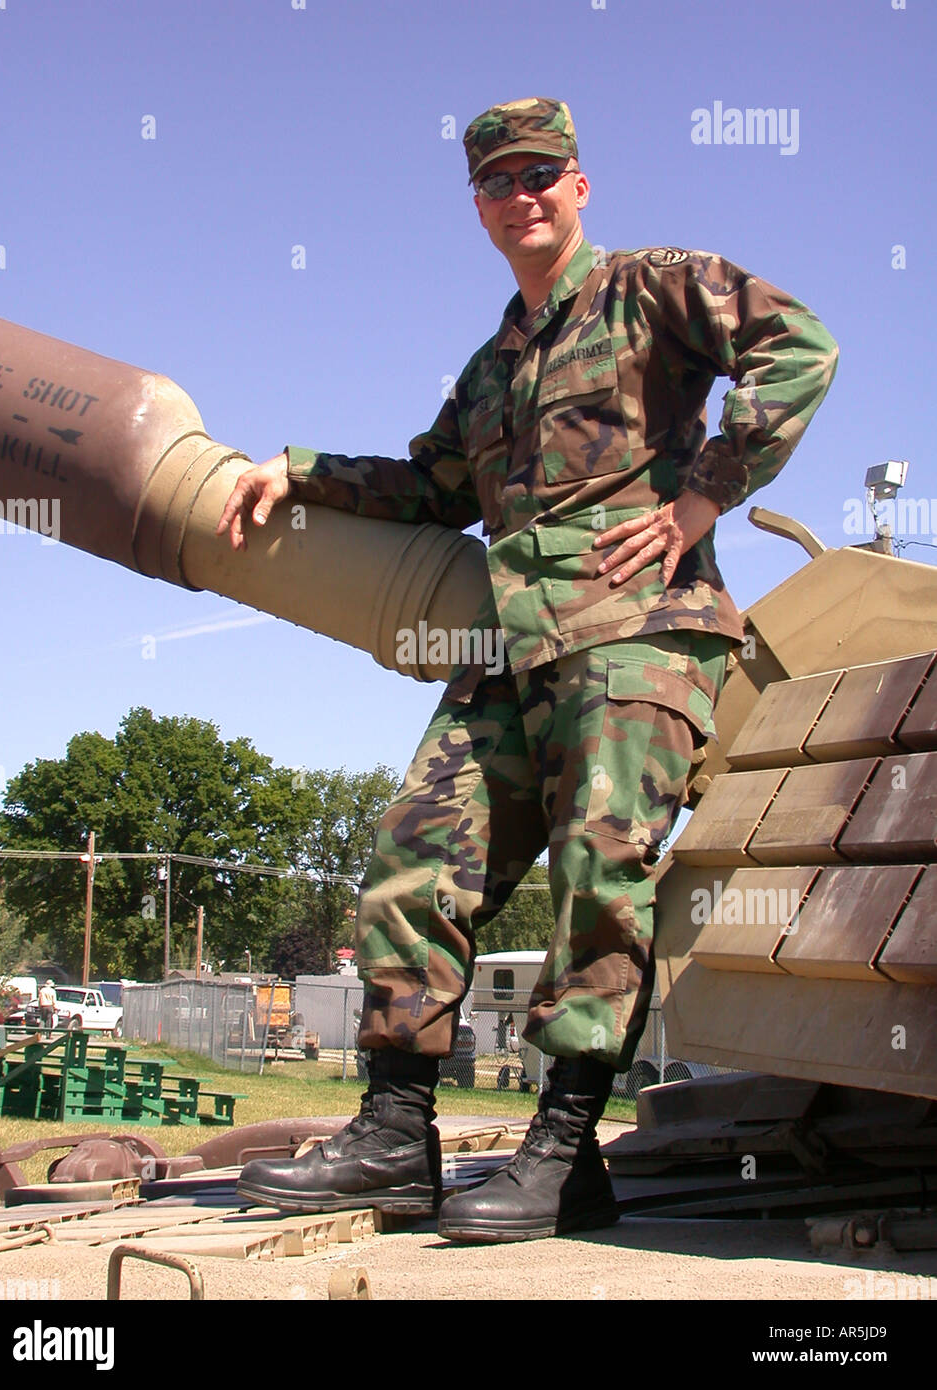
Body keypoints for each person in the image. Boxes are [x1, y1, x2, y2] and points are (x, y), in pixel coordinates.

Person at [218, 98, 838, 1243]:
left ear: (579, 183)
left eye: (542, 173)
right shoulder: (489, 369)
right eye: (500, 182)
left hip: (640, 630)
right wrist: (291, 471)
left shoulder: (651, 287)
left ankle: (563, 1149)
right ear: (480, 209)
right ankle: (394, 1137)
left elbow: (797, 343)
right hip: (516, 646)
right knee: (414, 851)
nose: (524, 195)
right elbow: (429, 487)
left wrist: (706, 488)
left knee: (598, 867)